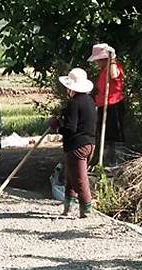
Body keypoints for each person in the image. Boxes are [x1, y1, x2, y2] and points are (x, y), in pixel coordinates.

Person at [50, 68, 97, 218]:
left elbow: (70, 128)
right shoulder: (90, 101)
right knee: (71, 176)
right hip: (90, 144)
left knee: (79, 179)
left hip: (77, 146)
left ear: (71, 88)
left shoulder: (74, 104)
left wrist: (57, 127)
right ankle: (67, 208)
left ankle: (86, 210)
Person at [87, 43, 126, 165]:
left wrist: (112, 59)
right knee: (106, 135)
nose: (97, 63)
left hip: (114, 104)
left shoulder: (114, 67)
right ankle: (107, 161)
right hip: (103, 105)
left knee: (115, 135)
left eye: (98, 60)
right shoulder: (103, 71)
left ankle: (117, 162)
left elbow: (114, 75)